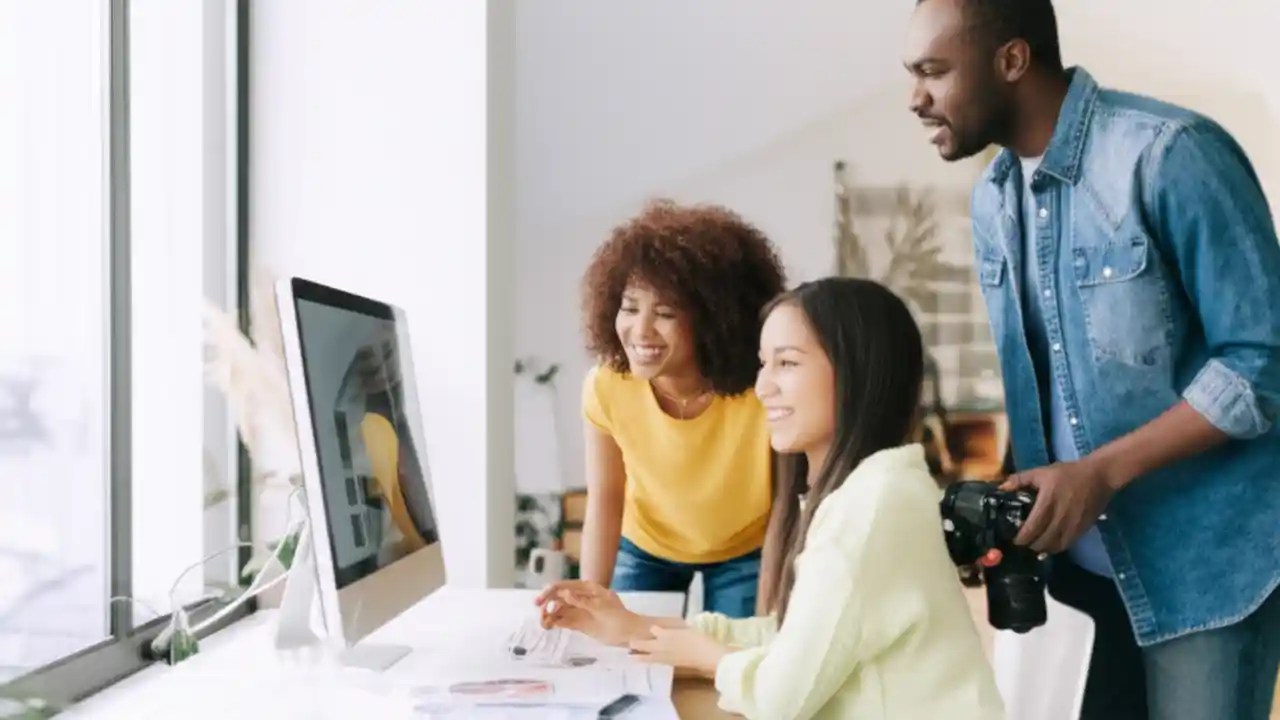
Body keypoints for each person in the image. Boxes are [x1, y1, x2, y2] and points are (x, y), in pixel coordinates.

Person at [904, 1, 1280, 718]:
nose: (915, 98)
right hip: (1074, 579)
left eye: (933, 71)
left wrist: (1100, 472)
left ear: (1012, 61)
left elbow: (1262, 363)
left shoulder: (1172, 153)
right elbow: (1049, 384)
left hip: (1206, 573)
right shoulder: (994, 198)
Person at [541, 278, 1005, 720]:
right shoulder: (873, 489)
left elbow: (780, 698)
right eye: (763, 364)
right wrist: (637, 628)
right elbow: (792, 635)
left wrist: (704, 656)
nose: (762, 387)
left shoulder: (871, 509)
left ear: (855, 374)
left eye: (786, 363)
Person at [576, 199, 786, 618]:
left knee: (729, 669)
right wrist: (589, 599)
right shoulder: (607, 385)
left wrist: (770, 610)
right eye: (630, 307)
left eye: (665, 313)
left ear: (715, 319)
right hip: (646, 547)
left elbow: (785, 501)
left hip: (745, 550)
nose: (639, 331)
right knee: (629, 663)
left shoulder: (763, 388)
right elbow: (605, 497)